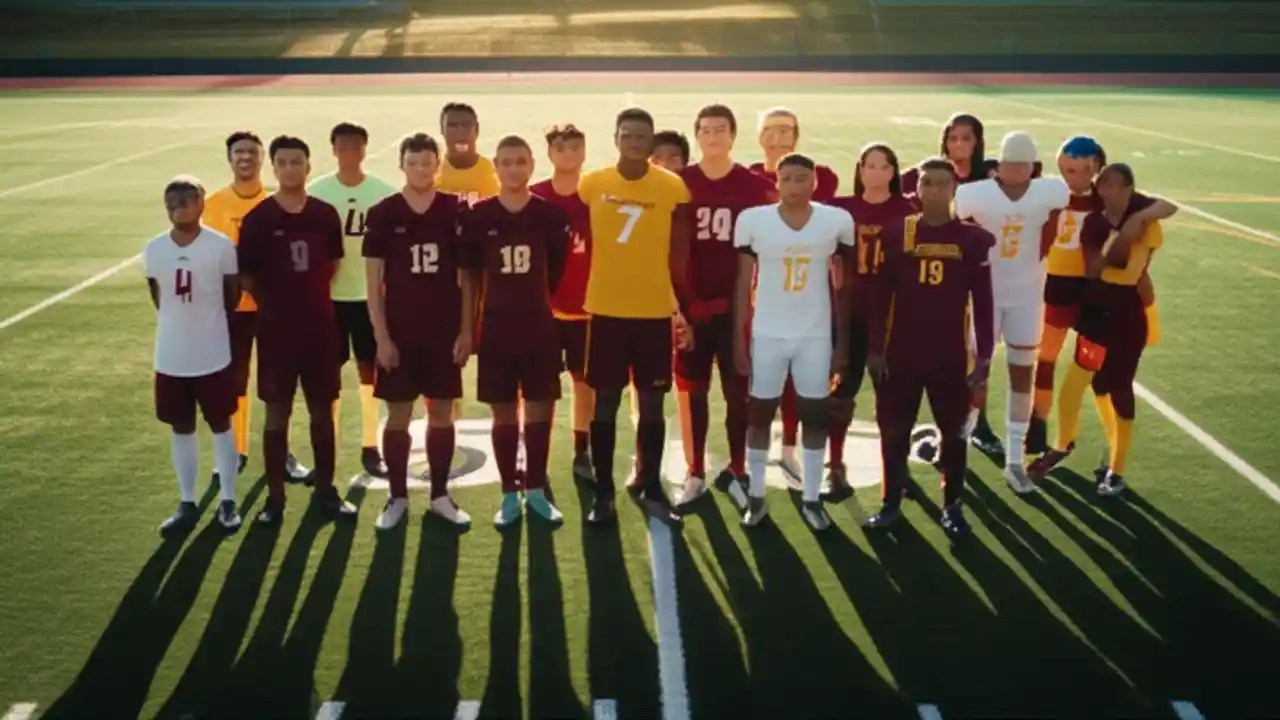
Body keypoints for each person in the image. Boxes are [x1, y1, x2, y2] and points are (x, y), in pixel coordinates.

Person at [865, 159, 996, 540]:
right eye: (927, 183)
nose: (935, 190)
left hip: (950, 355)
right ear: (916, 189)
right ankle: (891, 501)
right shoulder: (896, 233)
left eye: (943, 183)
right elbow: (879, 297)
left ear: (955, 189)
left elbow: (984, 302)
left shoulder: (973, 239)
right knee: (893, 431)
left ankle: (952, 506)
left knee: (954, 435)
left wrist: (984, 355)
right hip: (900, 352)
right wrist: (875, 350)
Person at [579, 107, 692, 526]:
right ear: (615, 137)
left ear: (650, 141)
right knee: (604, 403)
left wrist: (681, 306)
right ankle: (603, 492)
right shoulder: (593, 183)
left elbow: (679, 253)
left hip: (652, 312)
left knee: (652, 404)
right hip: (606, 310)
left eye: (641, 136)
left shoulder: (672, 187)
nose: (633, 142)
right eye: (626, 135)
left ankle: (650, 485)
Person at [237, 135, 357, 524]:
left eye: (297, 162)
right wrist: (277, 302)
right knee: (277, 414)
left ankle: (326, 490)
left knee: (323, 412)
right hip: (275, 333)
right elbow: (248, 276)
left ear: (308, 167)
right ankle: (274, 499)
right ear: (274, 167)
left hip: (320, 328)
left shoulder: (324, 214)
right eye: (283, 162)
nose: (290, 169)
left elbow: (333, 264)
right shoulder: (259, 219)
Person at [1029, 136, 1175, 453]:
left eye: (1083, 170)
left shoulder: (1102, 197)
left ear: (1096, 168)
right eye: (1068, 169)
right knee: (1046, 356)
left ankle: (1097, 444)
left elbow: (1163, 205)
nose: (1075, 178)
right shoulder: (1050, 191)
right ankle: (1038, 420)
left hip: (1090, 291)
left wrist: (1138, 217)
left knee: (1096, 375)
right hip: (1057, 285)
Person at [732, 153, 854, 531]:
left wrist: (842, 341)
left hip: (814, 334)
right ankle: (756, 496)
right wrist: (740, 337)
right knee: (760, 413)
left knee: (814, 413)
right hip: (767, 332)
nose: (794, 187)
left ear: (815, 181)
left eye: (802, 179)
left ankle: (813, 497)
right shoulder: (754, 220)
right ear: (777, 182)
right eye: (787, 179)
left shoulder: (836, 221)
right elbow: (742, 282)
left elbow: (844, 284)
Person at [364, 133, 475, 531]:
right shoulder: (383, 213)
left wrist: (465, 331)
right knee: (398, 414)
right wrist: (381, 337)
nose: (421, 169)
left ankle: (440, 495)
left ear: (438, 164)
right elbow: (373, 282)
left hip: (443, 331)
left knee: (441, 413)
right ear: (402, 165)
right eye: (414, 163)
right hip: (400, 332)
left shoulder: (454, 210)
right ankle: (397, 496)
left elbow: (466, 278)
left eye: (428, 162)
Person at [462, 135, 570, 527]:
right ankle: (510, 493)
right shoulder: (480, 217)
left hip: (538, 325)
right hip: (495, 325)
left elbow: (555, 271)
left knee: (541, 407)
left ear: (531, 165)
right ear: (496, 166)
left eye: (520, 161)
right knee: (503, 413)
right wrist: (466, 329)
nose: (513, 168)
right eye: (506, 162)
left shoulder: (549, 216)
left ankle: (537, 490)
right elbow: (471, 277)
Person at [674, 103, 777, 507]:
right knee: (694, 392)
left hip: (739, 309)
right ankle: (695, 469)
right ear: (696, 136)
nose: (713, 137)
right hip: (691, 307)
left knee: (738, 394)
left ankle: (737, 467)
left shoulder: (754, 186)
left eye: (721, 130)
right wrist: (687, 303)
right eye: (706, 130)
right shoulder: (679, 183)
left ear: (734, 135)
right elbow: (672, 252)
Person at [954, 131, 1068, 493]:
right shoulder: (976, 193)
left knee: (1022, 375)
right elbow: (957, 224)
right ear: (998, 166)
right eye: (1010, 164)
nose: (1016, 170)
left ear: (1033, 167)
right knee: (975, 374)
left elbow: (1070, 206)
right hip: (985, 296)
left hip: (1026, 296)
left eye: (1023, 165)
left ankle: (1015, 460)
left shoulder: (1049, 191)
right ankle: (959, 445)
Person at [146, 176, 243, 534]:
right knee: (181, 427)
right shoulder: (154, 249)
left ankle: (228, 499)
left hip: (212, 353)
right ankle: (187, 500)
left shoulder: (220, 246)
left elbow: (231, 295)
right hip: (172, 355)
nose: (178, 207)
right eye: (171, 202)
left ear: (202, 203)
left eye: (186, 200)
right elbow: (158, 295)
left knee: (221, 424)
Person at [748, 107, 840, 481]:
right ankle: (752, 456)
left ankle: (789, 446)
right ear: (758, 136)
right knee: (762, 380)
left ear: (797, 135)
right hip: (764, 288)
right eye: (769, 130)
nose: (777, 137)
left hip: (806, 290)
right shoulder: (749, 177)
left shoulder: (821, 176)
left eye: (785, 130)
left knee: (799, 380)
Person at [824, 143, 918, 500]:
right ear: (860, 170)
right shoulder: (840, 210)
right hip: (848, 316)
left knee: (892, 398)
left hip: (893, 316)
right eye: (870, 165)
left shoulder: (908, 212)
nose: (877, 173)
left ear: (894, 172)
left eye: (884, 166)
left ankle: (895, 469)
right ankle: (835, 465)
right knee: (840, 396)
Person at [307, 122, 397, 479]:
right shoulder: (317, 193)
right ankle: (325, 449)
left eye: (355, 146)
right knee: (326, 376)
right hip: (328, 299)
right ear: (333, 149)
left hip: (369, 297)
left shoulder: (383, 193)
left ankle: (370, 444)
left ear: (364, 149)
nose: (349, 152)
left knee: (370, 373)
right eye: (342, 146)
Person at [531, 124, 594, 481]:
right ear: (550, 153)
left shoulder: (596, 194)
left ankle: (581, 450)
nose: (568, 154)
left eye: (574, 147)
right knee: (539, 385)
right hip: (543, 310)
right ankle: (534, 451)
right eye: (560, 147)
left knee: (585, 382)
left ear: (584, 152)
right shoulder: (536, 196)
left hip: (588, 308)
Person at [899, 112, 998, 195]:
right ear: (945, 142)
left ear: (977, 143)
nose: (958, 144)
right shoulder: (926, 172)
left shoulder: (990, 173)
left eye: (966, 139)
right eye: (953, 138)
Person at [436, 102, 500, 206]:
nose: (460, 131)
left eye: (466, 125)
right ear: (442, 130)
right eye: (452, 126)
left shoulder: (496, 174)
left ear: (477, 129)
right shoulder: (430, 173)